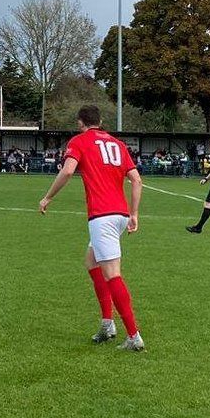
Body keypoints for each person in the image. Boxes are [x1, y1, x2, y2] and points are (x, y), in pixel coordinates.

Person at [39, 105, 145, 351]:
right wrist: (134, 214)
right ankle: (108, 323)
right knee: (91, 262)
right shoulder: (118, 144)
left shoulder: (80, 141)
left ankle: (133, 335)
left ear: (80, 123)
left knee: (112, 275)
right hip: (118, 215)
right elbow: (137, 180)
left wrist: (48, 197)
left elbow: (67, 171)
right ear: (101, 120)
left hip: (103, 216)